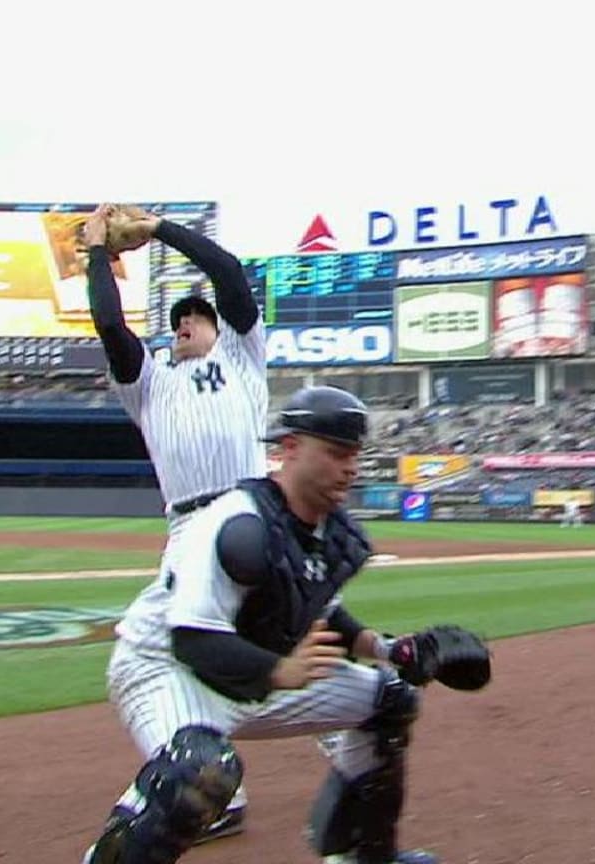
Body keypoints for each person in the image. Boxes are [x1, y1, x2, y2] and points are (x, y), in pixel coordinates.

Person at [82, 386, 452, 864]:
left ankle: (364, 854)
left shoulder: (331, 532)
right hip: (165, 670)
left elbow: (323, 615)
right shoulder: (234, 522)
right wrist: (281, 672)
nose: (351, 468)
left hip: (262, 670)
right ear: (290, 449)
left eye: (355, 455)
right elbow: (192, 639)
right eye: (337, 453)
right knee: (200, 771)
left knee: (391, 701)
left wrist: (391, 650)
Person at [82, 203, 268, 841]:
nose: (186, 325)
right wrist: (97, 253)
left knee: (143, 661)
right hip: (189, 534)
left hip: (249, 511)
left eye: (197, 319)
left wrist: (158, 228)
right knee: (187, 662)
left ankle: (214, 780)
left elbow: (228, 272)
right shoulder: (152, 384)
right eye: (178, 321)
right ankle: (219, 782)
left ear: (221, 330)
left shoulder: (244, 358)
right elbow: (109, 323)